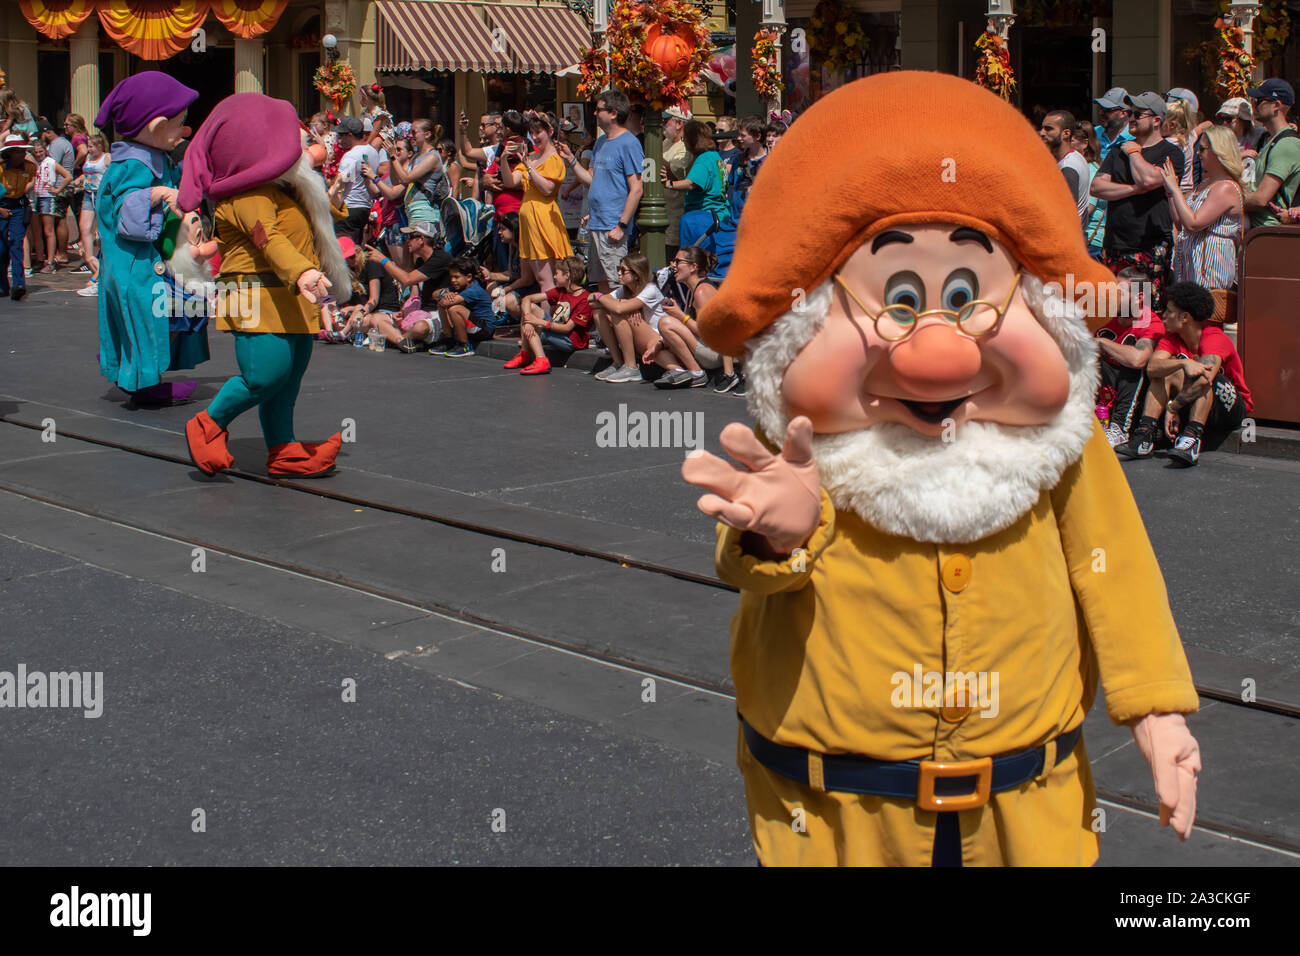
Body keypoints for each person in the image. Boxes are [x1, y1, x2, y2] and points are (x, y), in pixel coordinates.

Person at [684, 70, 1200, 867]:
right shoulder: (804, 440)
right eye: (894, 300)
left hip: (1025, 811)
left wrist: (1158, 712)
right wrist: (776, 538)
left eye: (967, 296)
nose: (937, 355)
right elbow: (759, 567)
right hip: (835, 815)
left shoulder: (1059, 440)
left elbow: (1115, 568)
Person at [181, 93, 352, 479]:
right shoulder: (246, 195)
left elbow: (303, 221)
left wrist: (333, 202)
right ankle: (207, 425)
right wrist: (303, 272)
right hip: (255, 295)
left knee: (286, 382)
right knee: (266, 375)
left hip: (288, 296)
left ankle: (283, 448)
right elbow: (267, 237)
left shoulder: (283, 189)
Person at [94, 72, 211, 405]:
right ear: (157, 125)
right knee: (150, 318)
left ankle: (142, 377)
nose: (184, 131)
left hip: (146, 262)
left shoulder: (151, 158)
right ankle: (145, 387)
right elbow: (130, 216)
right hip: (136, 266)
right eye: (180, 125)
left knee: (173, 312)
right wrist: (160, 193)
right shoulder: (134, 164)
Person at [1116, 281, 1251, 466]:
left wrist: (1173, 408)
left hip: (1229, 409)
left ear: (1184, 317)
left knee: (1203, 375)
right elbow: (1152, 368)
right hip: (1192, 401)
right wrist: (1183, 362)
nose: (1163, 316)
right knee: (1165, 370)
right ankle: (1144, 434)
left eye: (1169, 311)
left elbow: (1204, 381)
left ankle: (1192, 439)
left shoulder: (1214, 337)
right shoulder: (1172, 337)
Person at [1090, 92, 1184, 311]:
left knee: (1147, 313)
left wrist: (1133, 152)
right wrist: (1134, 189)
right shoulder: (1116, 152)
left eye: (1138, 114)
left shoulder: (1171, 153)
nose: (1131, 118)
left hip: (1151, 245)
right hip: (1115, 245)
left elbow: (1149, 178)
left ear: (1157, 120)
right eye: (1130, 113)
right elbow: (1098, 187)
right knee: (1115, 310)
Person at [557, 88, 643, 293]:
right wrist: (571, 159)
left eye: (598, 109)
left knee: (618, 284)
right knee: (600, 283)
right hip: (596, 223)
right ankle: (605, 324)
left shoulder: (629, 143)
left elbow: (637, 188)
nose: (595, 113)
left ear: (613, 113)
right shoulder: (602, 142)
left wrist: (622, 225)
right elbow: (591, 180)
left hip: (612, 226)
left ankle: (621, 323)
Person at [1161, 125, 1246, 291]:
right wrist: (1170, 192)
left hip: (1210, 274)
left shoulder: (1226, 188)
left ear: (1218, 151)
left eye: (1202, 149)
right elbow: (1180, 222)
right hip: (1190, 271)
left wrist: (1175, 189)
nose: (1198, 153)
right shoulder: (1205, 184)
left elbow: (1193, 224)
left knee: (1205, 317)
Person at [499, 111, 571, 293]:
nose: (534, 136)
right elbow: (510, 182)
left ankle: (549, 320)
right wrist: (503, 159)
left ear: (550, 132)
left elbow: (547, 189)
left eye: (538, 132)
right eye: (532, 132)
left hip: (543, 219)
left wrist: (529, 166)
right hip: (529, 221)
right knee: (542, 280)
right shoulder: (532, 158)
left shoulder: (554, 158)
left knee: (547, 280)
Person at [1094, 267, 1165, 446]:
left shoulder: (1151, 323)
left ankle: (1119, 429)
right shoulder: (1105, 315)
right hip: (1106, 390)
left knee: (1132, 365)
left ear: (1139, 298)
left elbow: (1138, 359)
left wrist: (1102, 342)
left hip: (1136, 395)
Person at [364, 221, 452, 351]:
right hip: (420, 312)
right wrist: (405, 311)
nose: (407, 241)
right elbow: (414, 292)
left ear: (421, 239)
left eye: (410, 237)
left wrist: (383, 260)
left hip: (436, 314)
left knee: (419, 328)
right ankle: (402, 341)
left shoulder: (440, 258)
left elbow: (406, 280)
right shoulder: (420, 261)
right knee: (375, 318)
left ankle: (398, 339)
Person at [646, 246, 726, 389]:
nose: (673, 266)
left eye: (677, 262)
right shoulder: (692, 290)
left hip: (714, 353)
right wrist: (660, 345)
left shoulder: (702, 291)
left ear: (693, 267)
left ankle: (696, 373)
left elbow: (707, 334)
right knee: (653, 349)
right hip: (702, 347)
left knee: (666, 323)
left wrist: (680, 315)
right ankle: (679, 371)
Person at [509, 255, 593, 374]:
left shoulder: (584, 299)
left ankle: (541, 360)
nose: (554, 277)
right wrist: (528, 321)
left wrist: (538, 322)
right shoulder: (561, 291)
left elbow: (567, 328)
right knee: (530, 309)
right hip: (555, 331)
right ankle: (524, 353)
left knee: (535, 327)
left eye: (557, 273)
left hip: (570, 340)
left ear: (567, 275)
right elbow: (527, 299)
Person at [591, 253, 664, 383]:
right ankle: (618, 362)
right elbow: (592, 302)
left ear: (636, 274)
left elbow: (618, 309)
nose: (619, 273)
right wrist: (601, 296)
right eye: (618, 269)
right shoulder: (624, 290)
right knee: (599, 312)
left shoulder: (650, 289)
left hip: (657, 339)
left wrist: (604, 298)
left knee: (617, 312)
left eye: (623, 270)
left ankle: (631, 367)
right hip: (641, 335)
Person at [1242, 79, 1300, 228]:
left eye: (1259, 100)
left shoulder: (1287, 144)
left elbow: (1261, 198)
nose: (1253, 104)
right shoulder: (1265, 139)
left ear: (1276, 105)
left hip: (1268, 233)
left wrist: (1226, 202)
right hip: (1254, 227)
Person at [666, 120, 730, 250]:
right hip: (719, 216)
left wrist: (670, 184)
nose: (683, 141)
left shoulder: (704, 159)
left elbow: (691, 184)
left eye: (685, 138)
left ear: (693, 140)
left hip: (703, 219)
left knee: (694, 260)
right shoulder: (715, 156)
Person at [429, 256, 498, 357]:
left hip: (485, 329)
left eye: (456, 277)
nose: (452, 280)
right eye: (451, 277)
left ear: (469, 277)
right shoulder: (458, 287)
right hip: (473, 326)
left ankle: (465, 345)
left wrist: (444, 296)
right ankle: (448, 340)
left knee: (454, 309)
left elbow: (445, 302)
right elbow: (434, 294)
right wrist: (444, 293)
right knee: (441, 305)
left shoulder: (473, 290)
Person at [0, 133, 36, 301]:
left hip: (19, 206)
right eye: (17, 151)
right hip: (2, 205)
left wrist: (25, 189)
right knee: (1, 249)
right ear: (9, 153)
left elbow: (30, 181)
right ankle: (2, 285)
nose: (21, 154)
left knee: (16, 243)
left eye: (22, 151)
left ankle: (18, 285)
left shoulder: (29, 167)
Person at [73, 133, 110, 297]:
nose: (88, 148)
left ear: (100, 146)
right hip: (88, 194)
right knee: (84, 227)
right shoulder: (88, 157)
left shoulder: (107, 158)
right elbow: (87, 173)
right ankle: (90, 260)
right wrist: (81, 178)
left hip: (101, 195)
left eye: (91, 146)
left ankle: (99, 272)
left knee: (102, 230)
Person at [333, 115, 380, 243]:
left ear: (350, 135)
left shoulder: (351, 156)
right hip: (364, 208)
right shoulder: (373, 152)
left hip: (349, 208)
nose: (339, 140)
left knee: (345, 251)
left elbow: (341, 184)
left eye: (341, 136)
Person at [1040, 110, 1089, 224]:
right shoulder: (1075, 157)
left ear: (1066, 133)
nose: (1042, 133)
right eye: (1042, 128)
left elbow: (1066, 212)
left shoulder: (1068, 167)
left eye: (1049, 128)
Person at [38, 120, 75, 267]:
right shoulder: (62, 142)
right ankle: (60, 253)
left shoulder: (58, 144)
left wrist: (57, 189)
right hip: (61, 186)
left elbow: (52, 164)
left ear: (47, 132)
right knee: (59, 219)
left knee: (59, 220)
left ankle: (61, 253)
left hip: (60, 186)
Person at [33, 141, 72, 274]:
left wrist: (57, 189)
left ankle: (50, 261)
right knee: (37, 230)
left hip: (47, 197)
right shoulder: (35, 163)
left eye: (40, 151)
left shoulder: (50, 162)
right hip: (36, 197)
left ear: (45, 150)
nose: (38, 154)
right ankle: (40, 258)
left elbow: (68, 176)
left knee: (48, 230)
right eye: (36, 152)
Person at [725, 115, 768, 223]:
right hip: (735, 221)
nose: (739, 138)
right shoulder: (737, 160)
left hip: (757, 223)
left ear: (757, 136)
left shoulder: (769, 163)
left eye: (743, 135)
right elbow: (731, 186)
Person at [661, 107, 690, 258]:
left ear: (679, 123)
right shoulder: (666, 142)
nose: (662, 124)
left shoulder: (685, 147)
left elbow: (677, 174)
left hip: (675, 216)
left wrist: (655, 157)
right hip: (662, 212)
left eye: (666, 121)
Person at [1076, 121, 1107, 257]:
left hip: (1090, 241)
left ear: (1084, 143)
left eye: (1071, 139)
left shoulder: (1090, 169)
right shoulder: (1082, 166)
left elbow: (1088, 208)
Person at [1092, 87, 1135, 160]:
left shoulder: (1134, 138)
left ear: (1123, 113)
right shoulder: (1093, 133)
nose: (1100, 112)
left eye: (1107, 110)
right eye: (1100, 108)